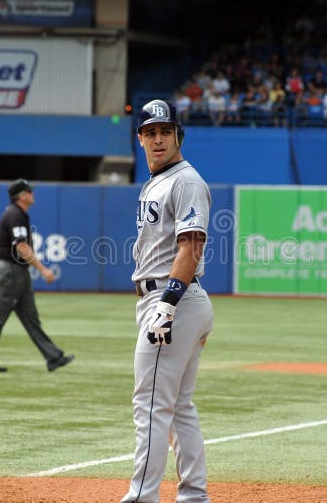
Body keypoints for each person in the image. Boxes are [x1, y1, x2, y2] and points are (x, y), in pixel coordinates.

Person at [122, 99, 213, 503]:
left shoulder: (185, 181)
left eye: (165, 131)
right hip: (170, 299)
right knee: (177, 407)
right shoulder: (157, 181)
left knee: (151, 404)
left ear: (178, 136)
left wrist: (168, 304)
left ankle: (142, 496)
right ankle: (194, 494)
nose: (158, 139)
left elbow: (191, 246)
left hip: (172, 298)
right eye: (150, 132)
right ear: (140, 138)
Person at [0, 179, 74, 373]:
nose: (32, 194)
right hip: (10, 271)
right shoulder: (15, 214)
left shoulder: (18, 214)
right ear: (21, 196)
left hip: (18, 272)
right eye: (29, 191)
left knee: (30, 318)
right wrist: (43, 270)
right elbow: (21, 247)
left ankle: (53, 357)